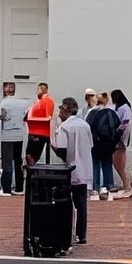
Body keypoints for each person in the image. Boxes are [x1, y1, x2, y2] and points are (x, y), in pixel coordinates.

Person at [51, 97, 93, 248]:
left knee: (65, 202)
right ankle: (81, 234)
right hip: (84, 167)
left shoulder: (64, 127)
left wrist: (53, 148)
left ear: (66, 110)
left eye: (61, 109)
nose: (59, 112)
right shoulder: (85, 125)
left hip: (68, 170)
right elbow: (90, 145)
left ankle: (66, 231)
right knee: (81, 203)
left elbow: (62, 150)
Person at [0, 81, 28, 197]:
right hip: (19, 134)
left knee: (7, 163)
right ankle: (19, 188)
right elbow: (26, 116)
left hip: (7, 135)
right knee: (18, 162)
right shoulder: (23, 103)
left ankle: (6, 189)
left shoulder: (3, 103)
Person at [86, 92, 120, 200]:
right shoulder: (111, 112)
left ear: (96, 101)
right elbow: (118, 127)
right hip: (108, 143)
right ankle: (109, 184)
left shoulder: (91, 112)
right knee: (107, 163)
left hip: (95, 143)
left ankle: (96, 186)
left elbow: (87, 127)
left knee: (95, 163)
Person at [110, 89, 132, 198]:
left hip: (121, 138)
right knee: (118, 163)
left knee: (118, 164)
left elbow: (125, 123)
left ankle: (126, 184)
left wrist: (121, 136)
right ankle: (125, 183)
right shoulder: (120, 107)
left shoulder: (124, 108)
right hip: (119, 137)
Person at [25, 82, 54, 166]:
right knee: (32, 155)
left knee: (30, 155)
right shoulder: (46, 101)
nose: (39, 91)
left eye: (40, 89)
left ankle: (31, 172)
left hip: (36, 132)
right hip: (41, 132)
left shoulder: (41, 102)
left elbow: (47, 115)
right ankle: (32, 169)